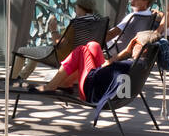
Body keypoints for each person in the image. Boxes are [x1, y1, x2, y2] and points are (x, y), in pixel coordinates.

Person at [30, 30, 160, 102]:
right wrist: (126, 52)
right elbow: (108, 69)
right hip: (97, 82)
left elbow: (107, 68)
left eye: (134, 44)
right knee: (93, 45)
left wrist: (124, 53)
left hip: (90, 89)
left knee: (81, 50)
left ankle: (51, 85)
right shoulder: (140, 64)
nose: (131, 47)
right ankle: (64, 83)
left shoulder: (127, 65)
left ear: (145, 49)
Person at [11, 0, 104, 81]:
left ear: (80, 8)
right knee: (35, 51)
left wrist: (53, 29)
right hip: (80, 56)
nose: (75, 10)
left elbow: (58, 44)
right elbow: (69, 41)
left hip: (60, 55)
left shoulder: (76, 23)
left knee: (21, 51)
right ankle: (21, 76)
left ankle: (11, 80)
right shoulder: (97, 23)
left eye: (76, 7)